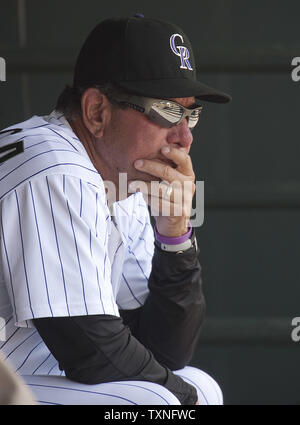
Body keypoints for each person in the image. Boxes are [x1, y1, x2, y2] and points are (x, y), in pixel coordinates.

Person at [0, 14, 230, 405]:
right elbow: (91, 349)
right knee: (161, 402)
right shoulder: (57, 171)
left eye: (190, 113)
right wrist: (183, 398)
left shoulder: (122, 178)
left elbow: (165, 349)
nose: (184, 136)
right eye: (167, 111)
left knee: (200, 387)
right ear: (96, 112)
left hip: (31, 372)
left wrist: (175, 233)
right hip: (16, 378)